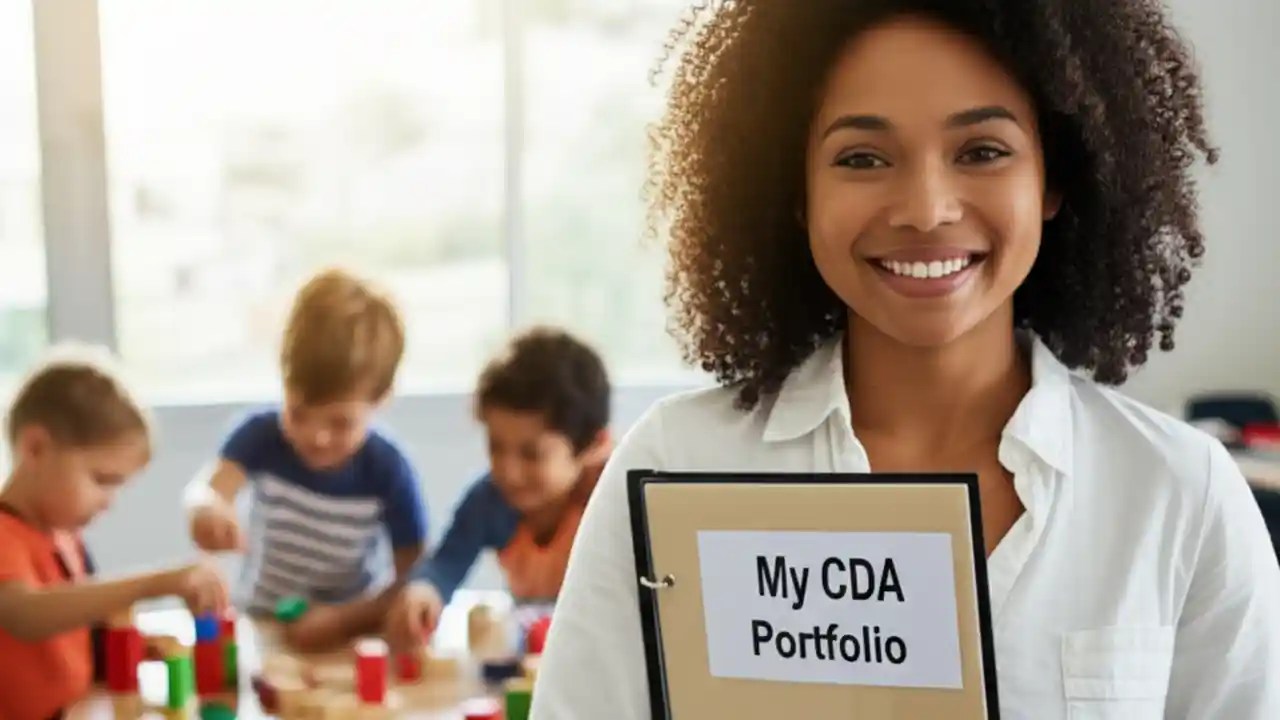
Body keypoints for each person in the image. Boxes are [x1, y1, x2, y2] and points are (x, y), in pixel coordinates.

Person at [531, 2, 1280, 718]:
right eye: (862, 157)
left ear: (1054, 177)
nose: (926, 207)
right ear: (794, 191)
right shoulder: (674, 465)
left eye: (982, 151)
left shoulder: (1181, 495)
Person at [183, 267, 427, 652]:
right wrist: (206, 511)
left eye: (341, 422)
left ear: (380, 400)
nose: (316, 437)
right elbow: (207, 490)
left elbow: (415, 575)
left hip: (348, 638)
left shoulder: (388, 469)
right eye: (298, 412)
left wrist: (344, 620)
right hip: (262, 629)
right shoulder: (261, 435)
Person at [0, 346, 228, 720]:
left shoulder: (66, 539)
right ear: (35, 448)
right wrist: (155, 583)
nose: (109, 502)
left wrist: (135, 646)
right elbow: (24, 614)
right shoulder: (5, 536)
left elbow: (74, 637)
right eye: (102, 480)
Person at [383, 327, 612, 649]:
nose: (509, 472)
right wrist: (423, 590)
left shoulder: (613, 506)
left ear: (594, 445)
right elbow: (446, 563)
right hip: (535, 654)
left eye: (531, 454)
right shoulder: (489, 502)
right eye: (496, 446)